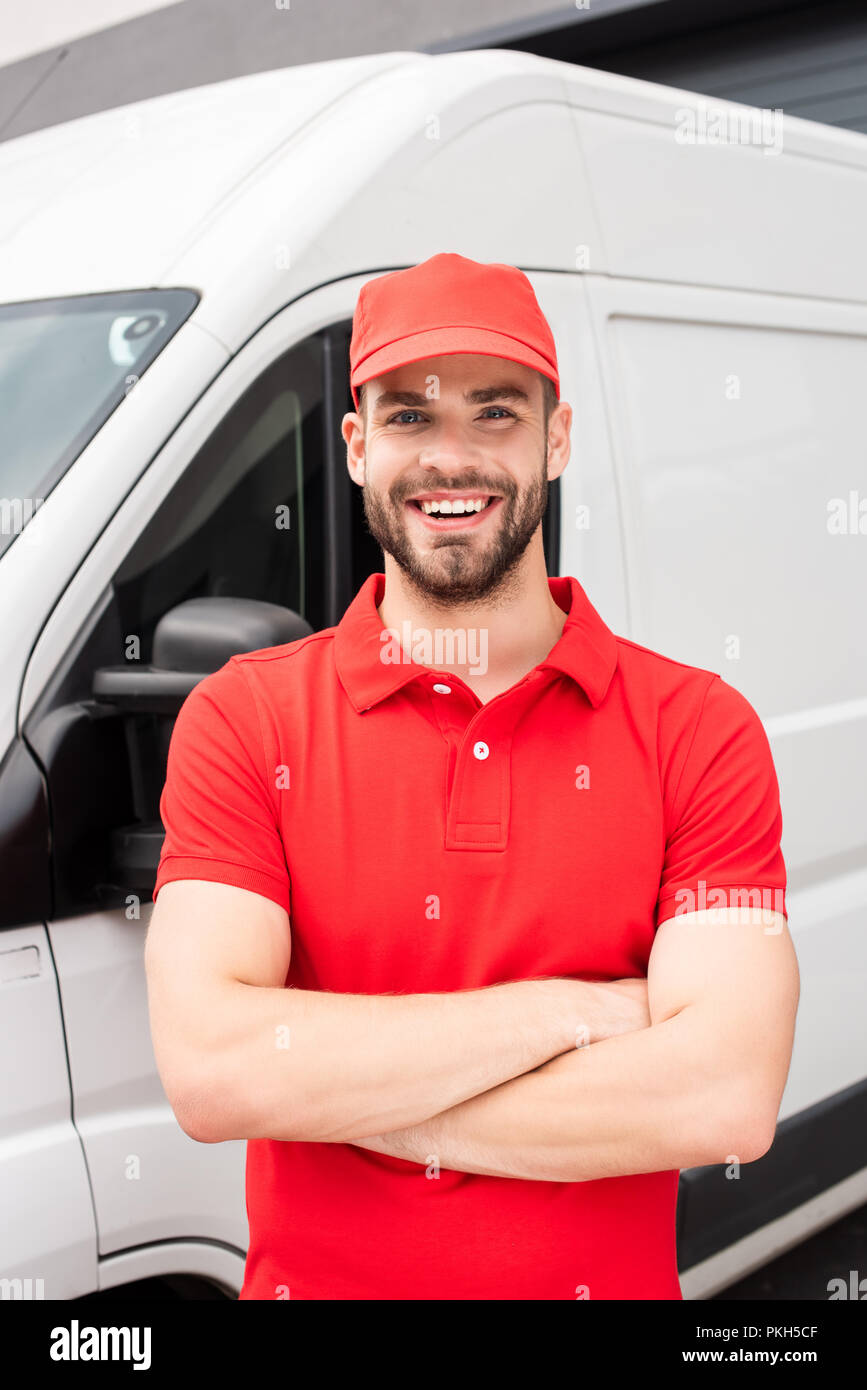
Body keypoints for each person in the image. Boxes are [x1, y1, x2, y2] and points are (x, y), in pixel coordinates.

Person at [146, 252, 799, 1300]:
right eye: (410, 416)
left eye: (495, 412)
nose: (451, 459)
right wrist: (569, 1013)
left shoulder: (697, 729)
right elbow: (218, 1073)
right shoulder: (244, 718)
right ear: (357, 449)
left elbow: (723, 1097)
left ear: (558, 437)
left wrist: (332, 1094)